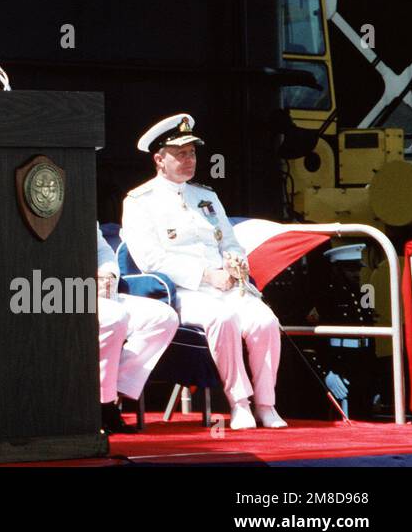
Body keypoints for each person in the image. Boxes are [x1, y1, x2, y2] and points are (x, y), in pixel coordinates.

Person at [120, 113, 287, 430]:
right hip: (185, 291)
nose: (188, 159)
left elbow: (232, 242)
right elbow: (150, 259)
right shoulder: (140, 202)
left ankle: (266, 404)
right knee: (221, 319)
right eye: (180, 153)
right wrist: (206, 275)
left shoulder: (207, 197)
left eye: (192, 152)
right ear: (159, 159)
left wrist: (236, 262)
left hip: (226, 286)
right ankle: (239, 403)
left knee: (265, 321)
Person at [95, 224, 179, 433]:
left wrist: (108, 275)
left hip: (99, 293)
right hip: (58, 294)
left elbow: (102, 250)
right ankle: (103, 406)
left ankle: (106, 396)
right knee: (114, 316)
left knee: (163, 317)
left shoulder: (79, 203)